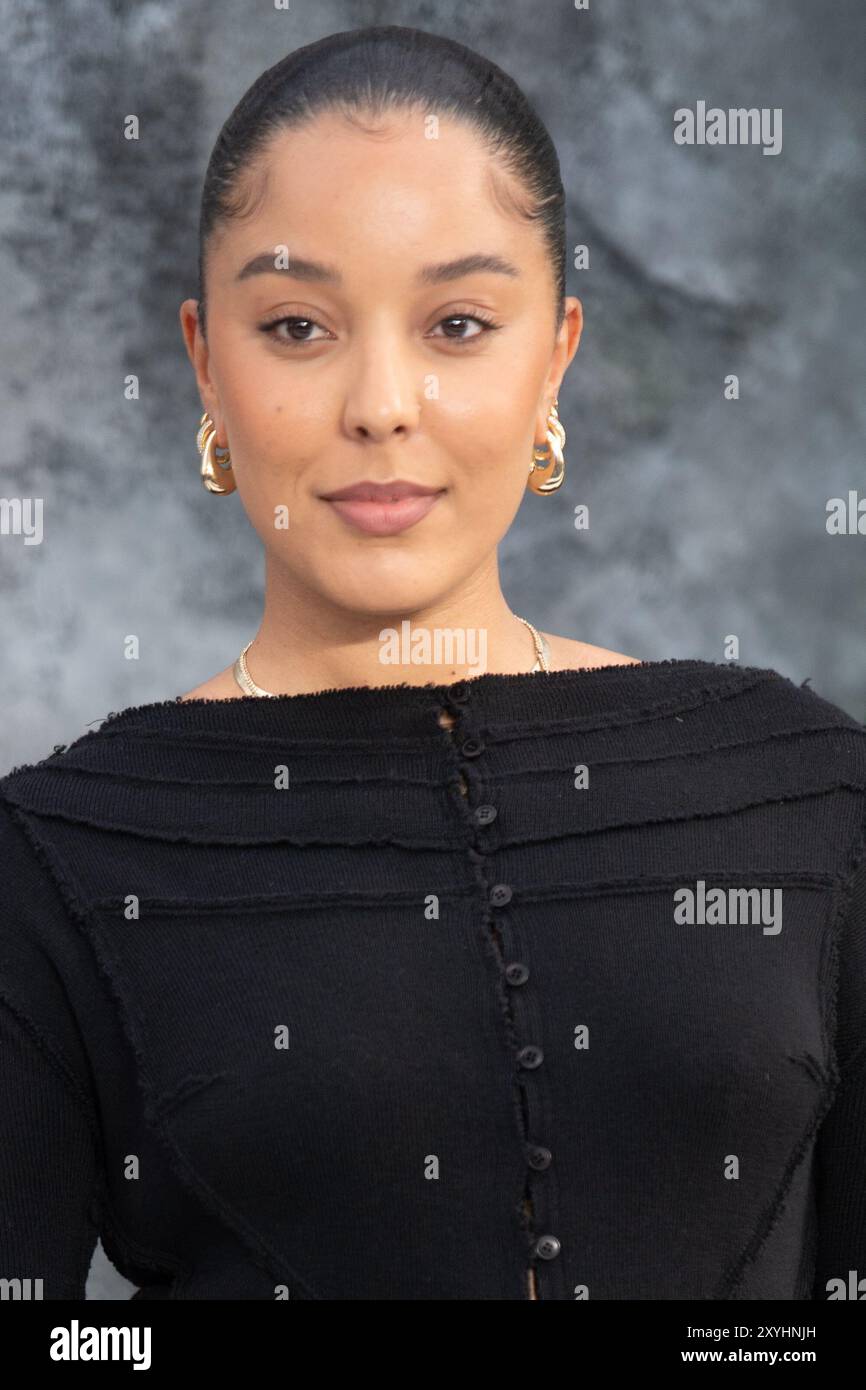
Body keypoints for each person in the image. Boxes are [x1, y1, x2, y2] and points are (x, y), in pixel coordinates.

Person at [1, 24, 863, 1302]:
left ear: (555, 353)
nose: (381, 402)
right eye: (297, 326)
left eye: (457, 322)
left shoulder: (802, 792)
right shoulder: (53, 861)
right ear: (204, 363)